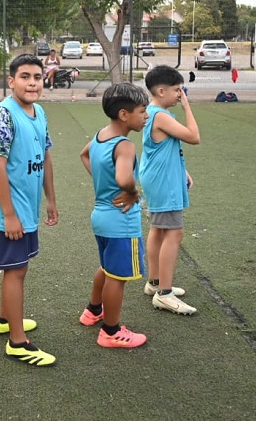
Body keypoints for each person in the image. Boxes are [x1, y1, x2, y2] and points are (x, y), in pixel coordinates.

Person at [0, 54, 58, 367]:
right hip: (10, 212)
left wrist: (50, 199)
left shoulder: (39, 112)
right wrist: (9, 215)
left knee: (19, 268)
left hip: (28, 207)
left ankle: (4, 319)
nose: (32, 83)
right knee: (15, 271)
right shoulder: (3, 115)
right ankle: (17, 342)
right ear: (11, 81)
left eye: (37, 77)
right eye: (25, 77)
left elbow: (45, 156)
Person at [78, 83, 150, 348]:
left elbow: (84, 154)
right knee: (117, 277)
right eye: (142, 111)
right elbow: (123, 178)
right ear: (124, 114)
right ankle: (111, 331)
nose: (146, 116)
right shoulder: (125, 145)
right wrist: (132, 191)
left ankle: (92, 311)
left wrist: (101, 182)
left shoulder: (101, 135)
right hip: (121, 219)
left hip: (101, 216)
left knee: (107, 268)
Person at [139, 65, 200, 316]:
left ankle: (155, 283)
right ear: (161, 91)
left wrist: (183, 171)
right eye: (177, 90)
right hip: (163, 181)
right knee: (174, 232)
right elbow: (194, 136)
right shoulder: (161, 115)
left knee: (159, 229)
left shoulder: (152, 112)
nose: (180, 95)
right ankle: (164, 294)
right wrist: (187, 107)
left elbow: (164, 147)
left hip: (158, 177)